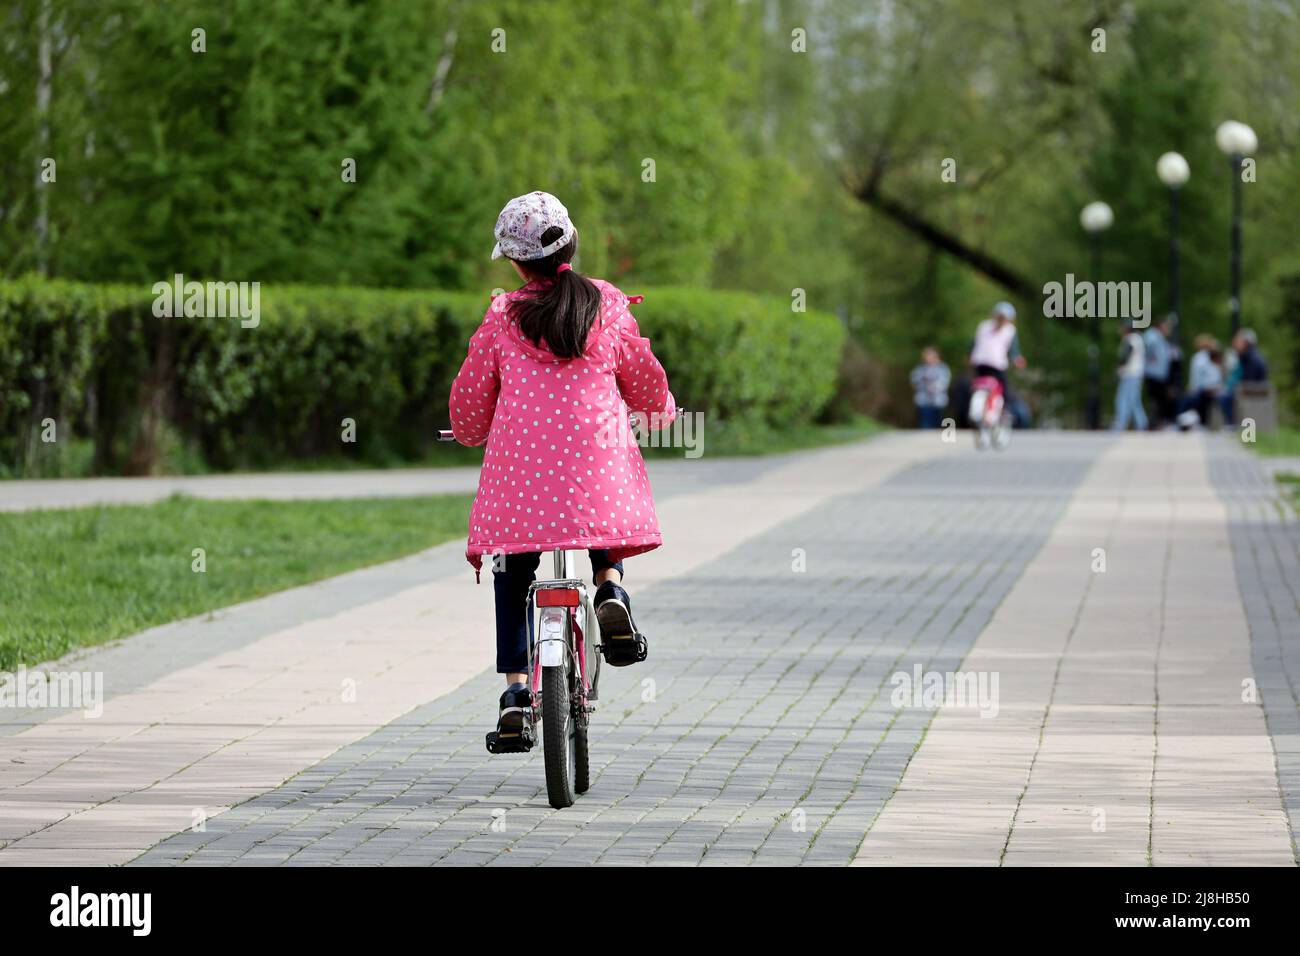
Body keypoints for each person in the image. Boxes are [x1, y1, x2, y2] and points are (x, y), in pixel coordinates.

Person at [449, 191, 676, 740]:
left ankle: (515, 692)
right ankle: (609, 586)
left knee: (511, 568)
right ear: (572, 243)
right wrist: (659, 413)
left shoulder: (503, 315)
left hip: (519, 483)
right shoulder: (606, 305)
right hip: (597, 471)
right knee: (597, 507)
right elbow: (645, 383)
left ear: (514, 262)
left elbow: (471, 403)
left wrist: (469, 430)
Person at [968, 301, 1027, 398]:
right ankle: (1005, 408)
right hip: (988, 365)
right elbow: (1014, 351)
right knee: (1005, 391)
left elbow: (1013, 351)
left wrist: (1017, 359)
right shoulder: (1007, 330)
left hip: (985, 364)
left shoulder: (984, 325)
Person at [1222, 328, 1268, 425]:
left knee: (1225, 397)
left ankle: (1232, 425)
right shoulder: (1247, 356)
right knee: (1224, 395)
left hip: (1253, 391)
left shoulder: (1252, 358)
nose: (1235, 344)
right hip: (1250, 389)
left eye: (1238, 341)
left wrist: (1235, 387)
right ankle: (1232, 425)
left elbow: (1250, 380)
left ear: (1246, 343)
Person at [1178, 334, 1224, 428]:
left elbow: (1196, 376)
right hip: (1205, 388)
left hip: (1202, 388)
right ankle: (1196, 421)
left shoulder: (1199, 357)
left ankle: (1188, 421)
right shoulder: (1210, 358)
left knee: (1190, 400)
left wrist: (1193, 387)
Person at [1112, 321, 1148, 431]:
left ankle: (1121, 423)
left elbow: (1126, 355)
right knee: (1134, 400)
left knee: (1122, 400)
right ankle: (1142, 423)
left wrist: (1119, 366)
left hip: (1130, 374)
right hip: (1137, 374)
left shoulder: (1130, 339)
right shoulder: (1138, 339)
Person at [1142, 317, 1175, 429]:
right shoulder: (1152, 335)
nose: (1168, 329)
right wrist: (1150, 356)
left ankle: (1157, 422)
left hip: (1160, 374)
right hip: (1153, 373)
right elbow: (1147, 347)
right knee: (1156, 399)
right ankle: (1154, 423)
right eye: (1167, 327)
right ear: (1161, 326)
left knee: (1160, 400)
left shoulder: (1162, 339)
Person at [910, 346, 950, 429]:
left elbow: (944, 383)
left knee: (938, 423)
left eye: (930, 356)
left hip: (938, 401)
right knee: (925, 424)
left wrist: (934, 386)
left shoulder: (942, 368)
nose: (928, 358)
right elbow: (914, 381)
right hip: (923, 401)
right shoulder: (920, 369)